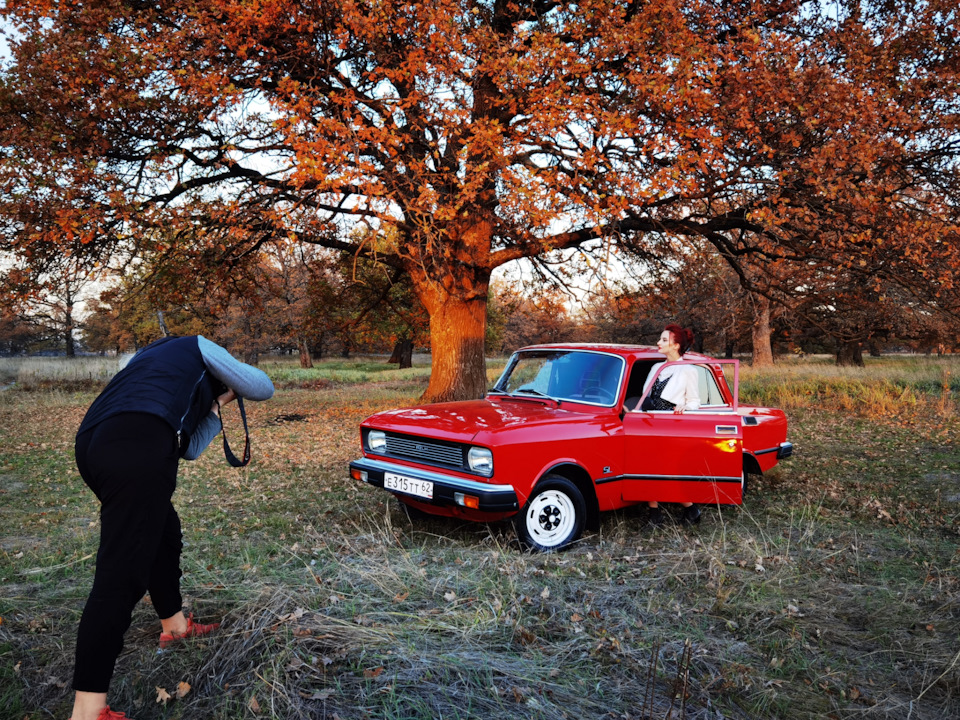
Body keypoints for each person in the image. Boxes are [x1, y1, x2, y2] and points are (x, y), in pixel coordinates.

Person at [69, 335, 274, 720]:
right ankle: (87, 711)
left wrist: (215, 405)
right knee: (121, 574)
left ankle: (175, 626)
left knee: (164, 532)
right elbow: (263, 386)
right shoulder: (197, 345)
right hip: (137, 445)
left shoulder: (143, 361)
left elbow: (189, 448)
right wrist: (230, 383)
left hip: (93, 441)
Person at [639, 324, 702, 526]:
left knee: (666, 472)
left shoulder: (688, 370)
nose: (659, 342)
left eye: (664, 340)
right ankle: (654, 514)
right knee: (646, 468)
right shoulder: (656, 368)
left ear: (675, 346)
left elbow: (695, 402)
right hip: (650, 423)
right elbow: (646, 397)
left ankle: (692, 509)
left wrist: (684, 406)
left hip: (671, 426)